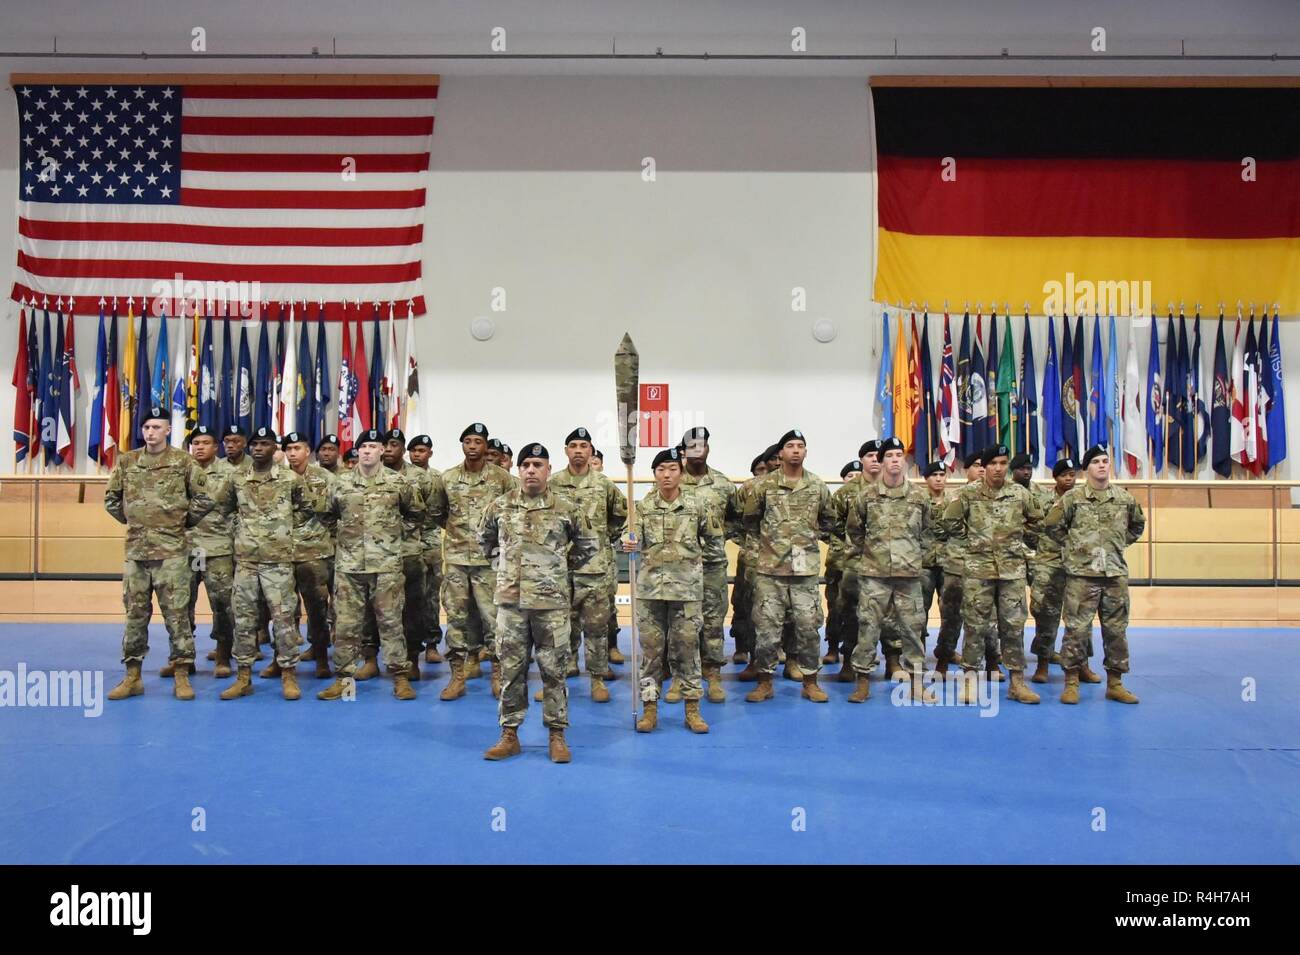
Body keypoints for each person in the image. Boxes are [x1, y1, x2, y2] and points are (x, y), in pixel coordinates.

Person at [480, 443, 596, 763]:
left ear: (548, 470)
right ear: (518, 470)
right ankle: (510, 734)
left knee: (554, 671)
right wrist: (504, 572)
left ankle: (557, 735)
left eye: (538, 464)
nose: (531, 470)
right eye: (526, 464)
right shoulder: (499, 507)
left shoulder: (566, 508)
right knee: (511, 671)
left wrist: (558, 570)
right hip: (511, 605)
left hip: (551, 606)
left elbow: (587, 546)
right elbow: (484, 542)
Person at [104, 407, 217, 701]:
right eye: (147, 427)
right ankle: (132, 676)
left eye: (157, 427)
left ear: (168, 430)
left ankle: (181, 674)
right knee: (135, 615)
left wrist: (180, 523)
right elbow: (111, 499)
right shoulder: (127, 462)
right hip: (137, 554)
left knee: (177, 615)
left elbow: (205, 498)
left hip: (173, 554)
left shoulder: (183, 462)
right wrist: (134, 521)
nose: (150, 432)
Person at [315, 429, 426, 701]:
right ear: (357, 451)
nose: (367, 451)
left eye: (373, 446)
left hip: (386, 565)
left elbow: (417, 512)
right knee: (346, 626)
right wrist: (345, 538)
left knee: (391, 623)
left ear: (381, 451)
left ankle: (399, 677)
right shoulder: (340, 483)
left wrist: (396, 536)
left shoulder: (397, 482)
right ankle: (344, 680)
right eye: (362, 446)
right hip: (350, 567)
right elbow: (324, 513)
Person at [213, 427, 317, 701]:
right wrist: (241, 532)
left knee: (284, 620)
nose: (258, 448)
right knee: (244, 619)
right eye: (255, 444)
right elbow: (223, 508)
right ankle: (243, 676)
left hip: (278, 562)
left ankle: (289, 675)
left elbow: (307, 511)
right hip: (246, 562)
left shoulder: (289, 479)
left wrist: (286, 536)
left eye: (265, 444)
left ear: (275, 449)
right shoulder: (236, 479)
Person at [624, 448, 721, 733]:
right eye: (660, 470)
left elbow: (714, 541)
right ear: (654, 475)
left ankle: (692, 710)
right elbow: (630, 535)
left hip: (687, 592)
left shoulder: (697, 504)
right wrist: (629, 541)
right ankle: (649, 709)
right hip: (650, 592)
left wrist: (699, 570)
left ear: (680, 472)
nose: (666, 475)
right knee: (651, 653)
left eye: (672, 469)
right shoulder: (641, 507)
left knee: (687, 650)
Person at [941, 444, 1046, 705]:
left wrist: (1021, 545)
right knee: (975, 625)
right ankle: (969, 680)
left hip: (1012, 570)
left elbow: (1037, 522)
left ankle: (1017, 682)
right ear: (984, 467)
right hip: (978, 570)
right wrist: (972, 544)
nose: (998, 468)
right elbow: (950, 522)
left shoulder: (1019, 494)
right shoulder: (967, 494)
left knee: (1013, 626)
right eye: (993, 463)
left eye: (1002, 462)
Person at [1043, 445, 1146, 705]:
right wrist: (1074, 547)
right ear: (1086, 468)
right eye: (1096, 462)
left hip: (1114, 575)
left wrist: (1117, 544)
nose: (1102, 465)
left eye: (1105, 461)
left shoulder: (1124, 498)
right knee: (1077, 630)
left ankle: (1115, 683)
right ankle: (1072, 682)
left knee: (1116, 631)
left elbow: (1137, 525)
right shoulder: (1073, 498)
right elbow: (1053, 526)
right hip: (1082, 575)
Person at [743, 429, 838, 703]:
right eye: (790, 446)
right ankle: (765, 682)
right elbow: (751, 520)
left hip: (804, 569)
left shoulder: (818, 486)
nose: (796, 450)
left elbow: (828, 520)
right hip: (770, 570)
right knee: (766, 629)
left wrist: (805, 540)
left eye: (800, 446)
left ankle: (811, 681)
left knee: (808, 627)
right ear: (780, 453)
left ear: (805, 452)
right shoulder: (764, 486)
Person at [843, 437, 935, 703]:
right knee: (868, 628)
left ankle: (917, 683)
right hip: (875, 575)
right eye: (890, 456)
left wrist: (916, 559)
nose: (895, 460)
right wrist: (871, 558)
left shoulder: (919, 497)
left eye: (899, 455)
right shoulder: (866, 496)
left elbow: (928, 532)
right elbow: (854, 531)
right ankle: (862, 682)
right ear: (881, 461)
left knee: (912, 630)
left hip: (908, 577)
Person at [548, 426, 626, 701]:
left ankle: (597, 677)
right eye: (573, 446)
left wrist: (601, 541)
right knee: (561, 622)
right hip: (560, 566)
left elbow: (619, 515)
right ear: (566, 451)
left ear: (591, 450)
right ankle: (564, 668)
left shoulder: (603, 484)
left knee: (596, 625)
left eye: (584, 446)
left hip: (594, 568)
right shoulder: (553, 483)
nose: (578, 451)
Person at [440, 423, 514, 699]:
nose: (472, 446)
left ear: (486, 446)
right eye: (468, 441)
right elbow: (439, 512)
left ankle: (498, 675)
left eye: (478, 442)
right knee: (456, 619)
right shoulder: (447, 479)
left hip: (490, 562)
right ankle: (457, 677)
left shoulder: (502, 479)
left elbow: (513, 511)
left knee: (494, 620)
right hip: (458, 560)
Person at [678, 427, 740, 704]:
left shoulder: (724, 484)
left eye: (701, 444)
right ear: (683, 451)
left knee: (714, 620)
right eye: (691, 445)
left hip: (713, 564)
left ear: (708, 449)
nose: (697, 449)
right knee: (682, 622)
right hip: (679, 566)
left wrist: (718, 538)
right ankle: (681, 673)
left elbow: (738, 520)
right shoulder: (671, 481)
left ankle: (712, 672)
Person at [1028, 457, 1098, 684]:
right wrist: (1038, 547)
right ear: (1055, 478)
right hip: (1049, 563)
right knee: (1046, 616)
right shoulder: (1042, 499)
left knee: (1080, 617)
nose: (1069, 479)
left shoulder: (1085, 499)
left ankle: (1081, 665)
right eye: (1064, 475)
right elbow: (1029, 526)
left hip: (1078, 565)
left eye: (1072, 475)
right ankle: (1043, 664)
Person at [281, 431, 337, 680]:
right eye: (289, 448)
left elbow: (337, 512)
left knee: (316, 608)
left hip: (314, 553)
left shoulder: (324, 478)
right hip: (281, 552)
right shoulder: (277, 478)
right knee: (282, 609)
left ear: (308, 451)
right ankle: (281, 659)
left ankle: (321, 655)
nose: (293, 453)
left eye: (297, 448)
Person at [181, 425, 235, 679]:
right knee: (181, 605)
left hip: (218, 549)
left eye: (206, 442)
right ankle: (183, 658)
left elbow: (240, 509)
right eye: (196, 443)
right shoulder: (180, 471)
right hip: (186, 549)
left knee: (223, 605)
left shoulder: (230, 473)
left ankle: (223, 656)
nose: (200, 447)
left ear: (216, 447)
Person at [934, 450, 984, 675]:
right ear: (967, 470)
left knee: (984, 619)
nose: (982, 469)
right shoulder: (958, 496)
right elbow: (948, 525)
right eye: (977, 465)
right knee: (951, 617)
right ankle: (943, 661)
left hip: (986, 567)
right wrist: (971, 539)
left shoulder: (1004, 494)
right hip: (958, 564)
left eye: (986, 465)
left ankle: (988, 663)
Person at [406, 433, 450, 668]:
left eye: (422, 451)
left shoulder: (437, 478)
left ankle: (432, 644)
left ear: (430, 453)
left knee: (431, 596)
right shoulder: (398, 475)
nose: (417, 455)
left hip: (430, 541)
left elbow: (440, 511)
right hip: (404, 544)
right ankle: (408, 646)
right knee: (407, 598)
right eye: (413, 450)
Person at [732, 446, 777, 673]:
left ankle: (787, 658)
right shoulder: (750, 488)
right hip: (755, 558)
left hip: (787, 563)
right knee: (748, 607)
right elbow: (735, 518)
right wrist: (746, 544)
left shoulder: (804, 486)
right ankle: (749, 654)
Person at [823, 460, 862, 667]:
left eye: (858, 475)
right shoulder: (839, 497)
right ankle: (832, 647)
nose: (854, 479)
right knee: (836, 607)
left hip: (862, 563)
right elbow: (828, 524)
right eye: (850, 476)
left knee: (860, 611)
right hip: (838, 563)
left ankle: (857, 652)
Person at [919, 460, 952, 660]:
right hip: (924, 562)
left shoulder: (954, 502)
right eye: (934, 475)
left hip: (949, 562)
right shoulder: (919, 500)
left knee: (949, 609)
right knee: (919, 609)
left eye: (942, 475)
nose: (939, 479)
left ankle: (945, 650)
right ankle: (918, 650)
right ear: (926, 479)